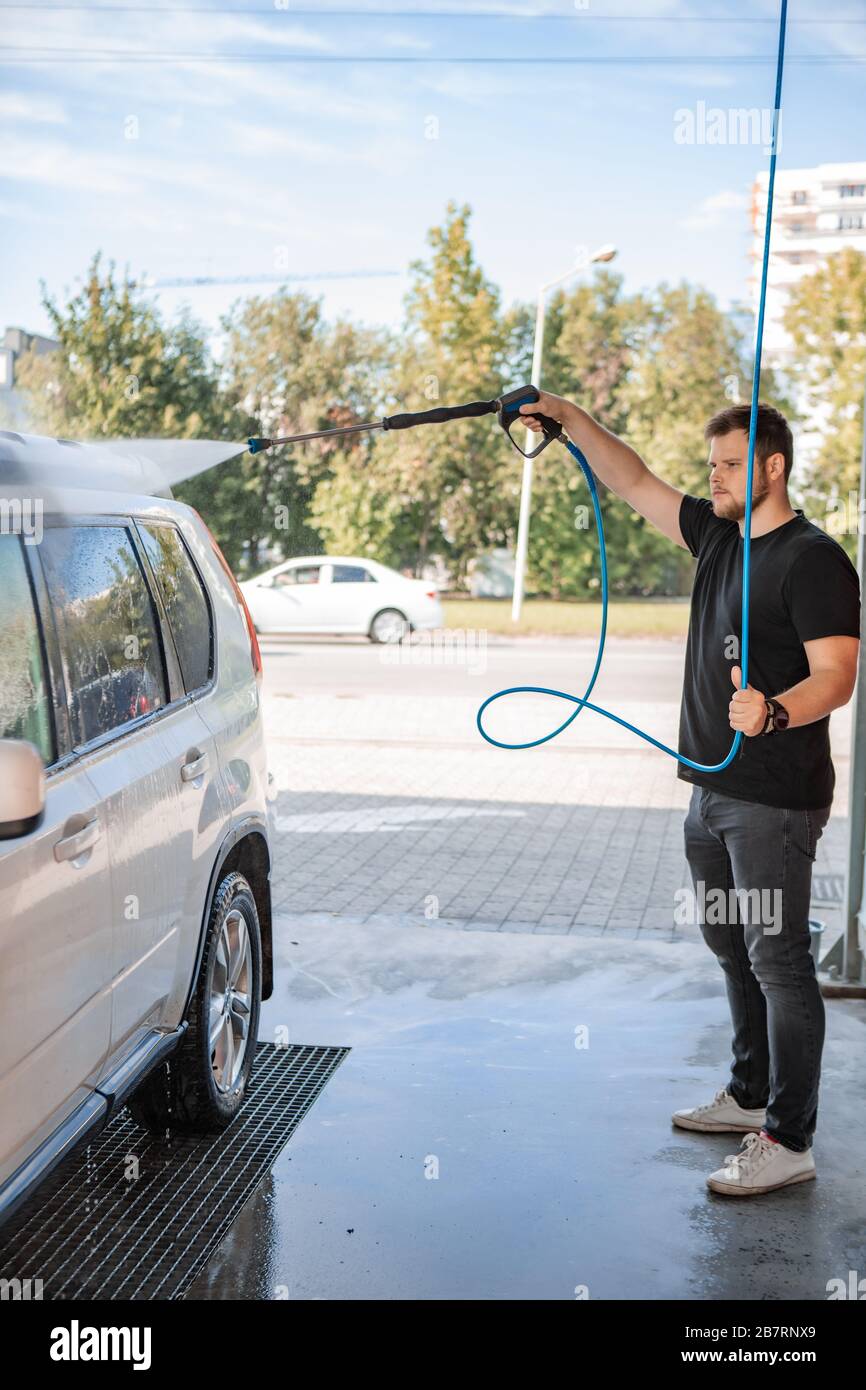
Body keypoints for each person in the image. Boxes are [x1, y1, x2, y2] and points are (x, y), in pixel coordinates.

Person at [520, 393, 861, 1197]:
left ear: (774, 468)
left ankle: (789, 1137)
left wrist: (776, 710)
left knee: (778, 959)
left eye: (733, 464)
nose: (717, 476)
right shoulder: (717, 536)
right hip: (710, 791)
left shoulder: (813, 558)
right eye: (712, 463)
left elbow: (839, 676)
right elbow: (632, 477)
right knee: (729, 943)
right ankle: (750, 1097)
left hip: (773, 799)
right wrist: (566, 416)